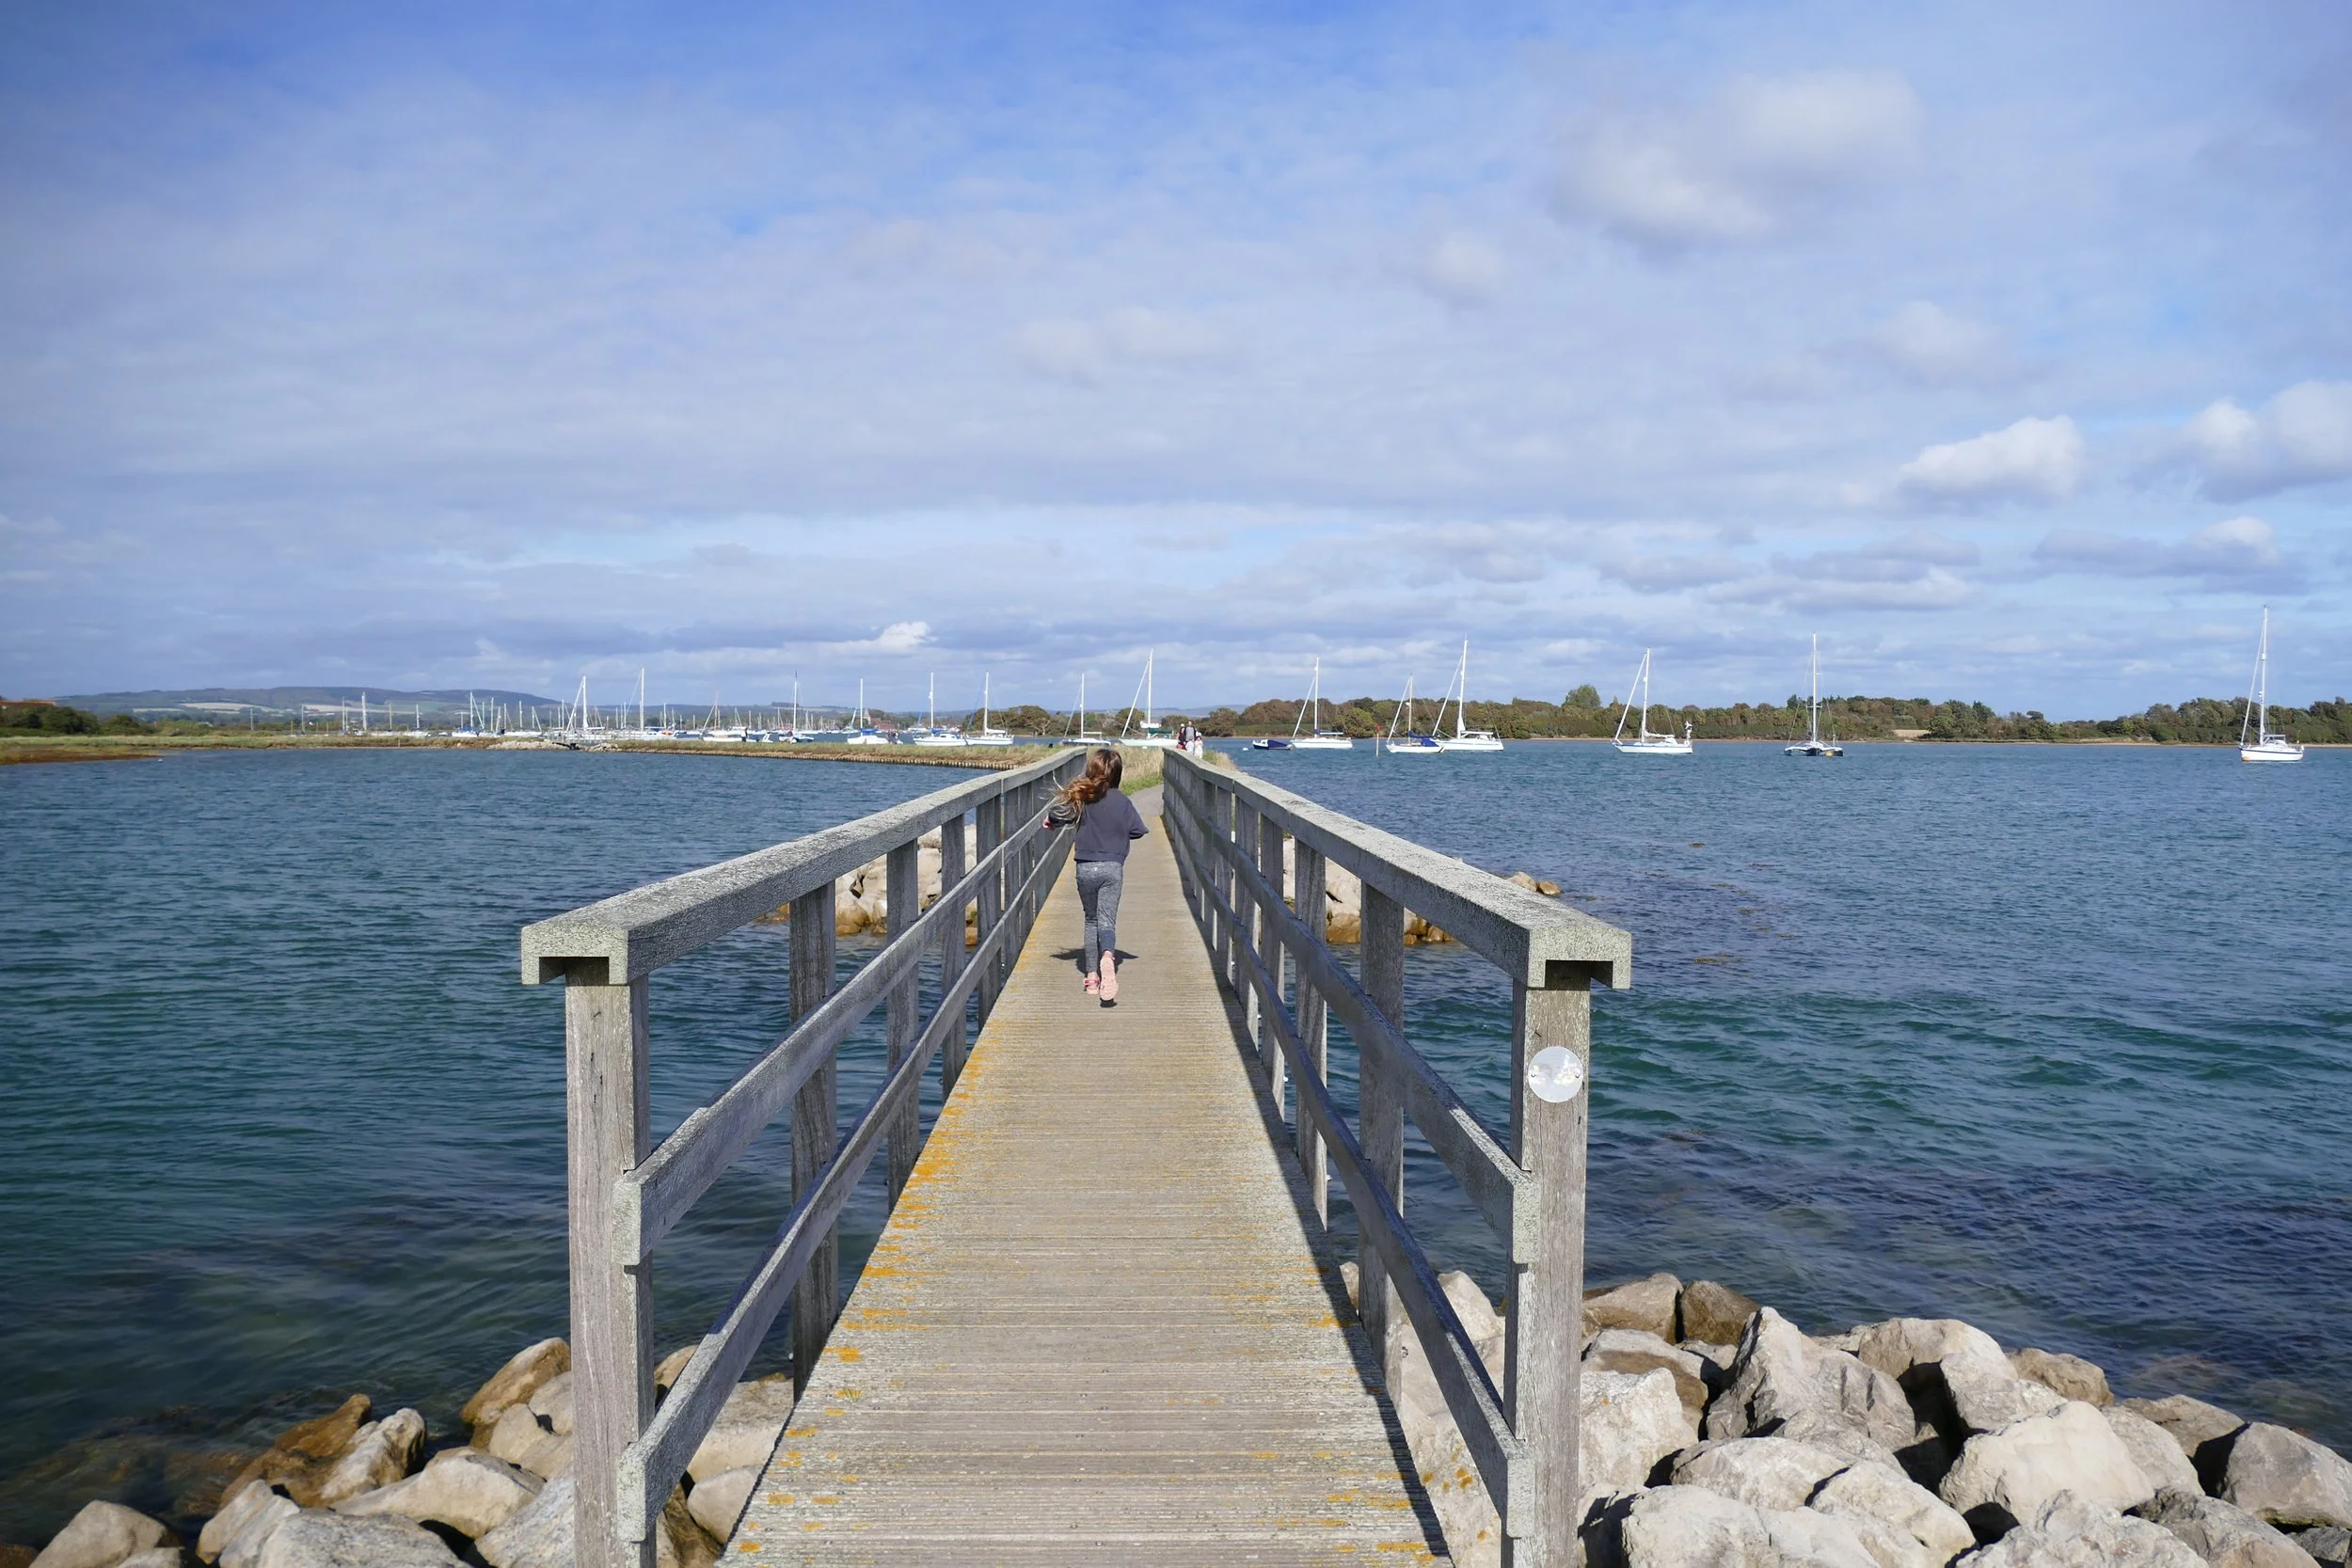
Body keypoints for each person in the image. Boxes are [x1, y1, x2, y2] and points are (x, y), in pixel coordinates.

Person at [1044, 746, 1149, 1001]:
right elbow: (1138, 830)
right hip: (1112, 868)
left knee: (1090, 920)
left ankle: (1091, 979)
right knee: (1106, 921)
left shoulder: (1083, 798)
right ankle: (1108, 958)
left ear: (1091, 771)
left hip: (1085, 867)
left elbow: (1058, 815)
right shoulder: (1123, 801)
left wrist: (1050, 821)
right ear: (1118, 775)